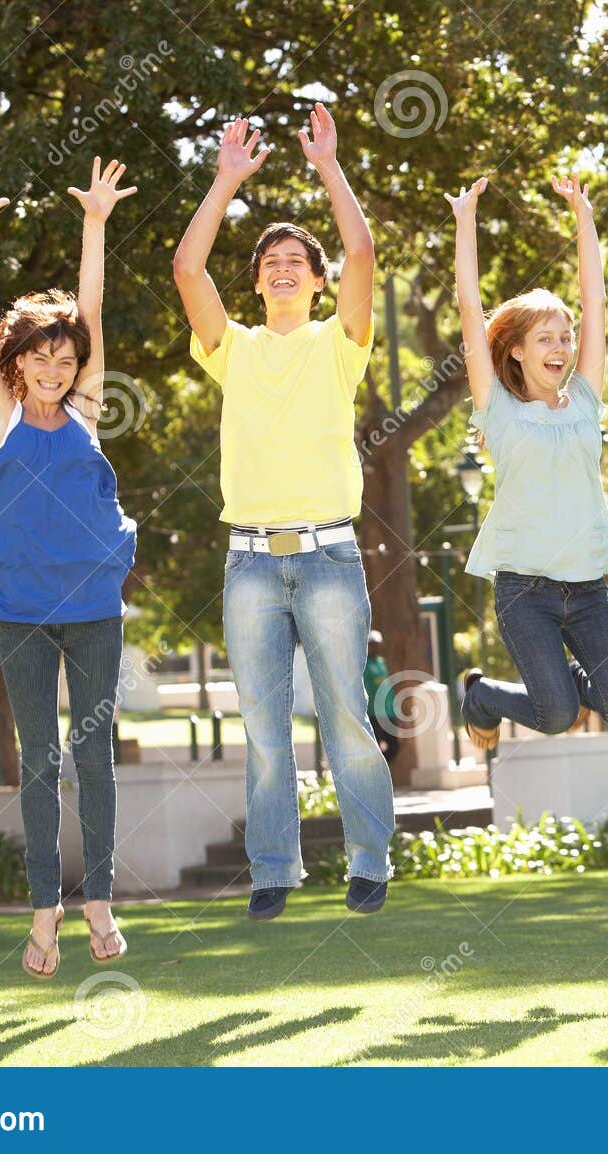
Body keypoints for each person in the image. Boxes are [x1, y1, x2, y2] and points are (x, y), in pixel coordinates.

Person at [173, 110, 394, 920]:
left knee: (345, 718)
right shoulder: (233, 347)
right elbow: (187, 267)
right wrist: (227, 178)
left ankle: (370, 861)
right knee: (265, 729)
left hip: (331, 556)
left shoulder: (342, 342)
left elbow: (364, 253)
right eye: (271, 261)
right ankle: (274, 870)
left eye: (298, 259)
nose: (283, 268)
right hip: (252, 564)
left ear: (318, 279)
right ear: (258, 281)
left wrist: (329, 167)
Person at [0, 158, 138, 977]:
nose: (57, 372)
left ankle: (97, 898)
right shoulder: (1, 416)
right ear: (19, 362)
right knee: (41, 759)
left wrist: (95, 224)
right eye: (44, 360)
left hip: (93, 601)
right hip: (20, 606)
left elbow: (90, 310)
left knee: (94, 755)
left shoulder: (87, 408)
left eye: (67, 361)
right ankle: (42, 912)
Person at [447, 173, 608, 747]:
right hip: (525, 592)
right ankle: (483, 694)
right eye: (545, 339)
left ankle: (558, 683)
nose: (560, 347)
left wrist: (583, 213)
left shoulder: (585, 396)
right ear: (515, 349)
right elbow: (469, 304)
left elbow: (596, 297)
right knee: (558, 716)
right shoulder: (499, 410)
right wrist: (466, 221)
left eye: (565, 337)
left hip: (588, 590)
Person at [364, 631, 400, 766]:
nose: (375, 647)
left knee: (394, 746)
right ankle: (374, 772)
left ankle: (379, 768)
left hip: (388, 712)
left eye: (377, 644)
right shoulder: (363, 664)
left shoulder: (381, 662)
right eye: (372, 644)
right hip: (373, 713)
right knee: (375, 745)